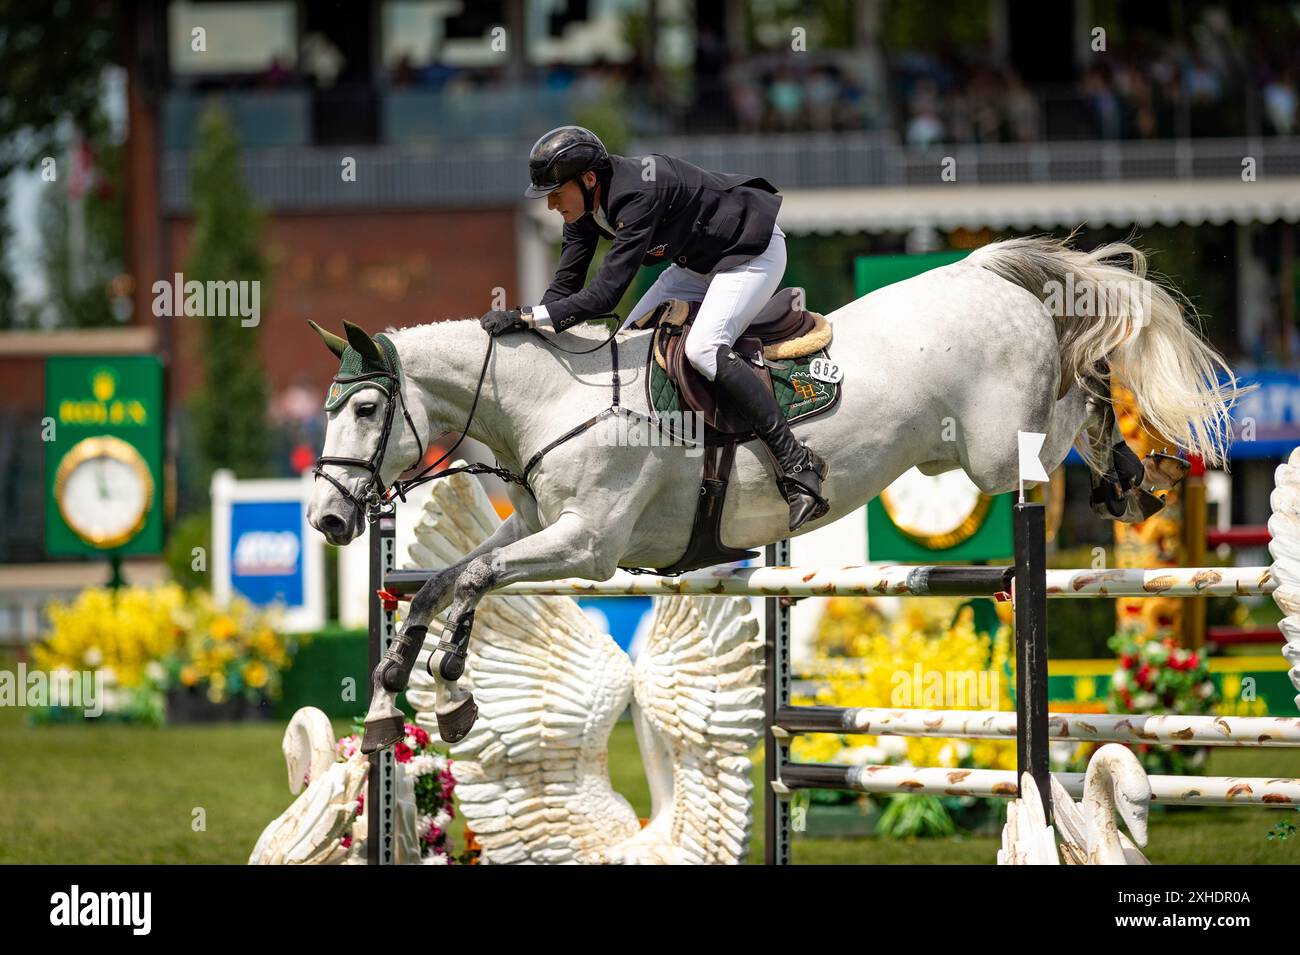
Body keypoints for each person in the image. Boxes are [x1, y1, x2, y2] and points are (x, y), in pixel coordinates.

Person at [478, 125, 827, 532]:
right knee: (624, 348)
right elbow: (566, 286)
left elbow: (604, 295)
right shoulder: (584, 208)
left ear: (589, 179)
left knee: (702, 350)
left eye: (556, 192)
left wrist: (524, 316)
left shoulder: (636, 194)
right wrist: (533, 325)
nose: (552, 203)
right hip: (695, 265)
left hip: (750, 253)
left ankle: (798, 463)